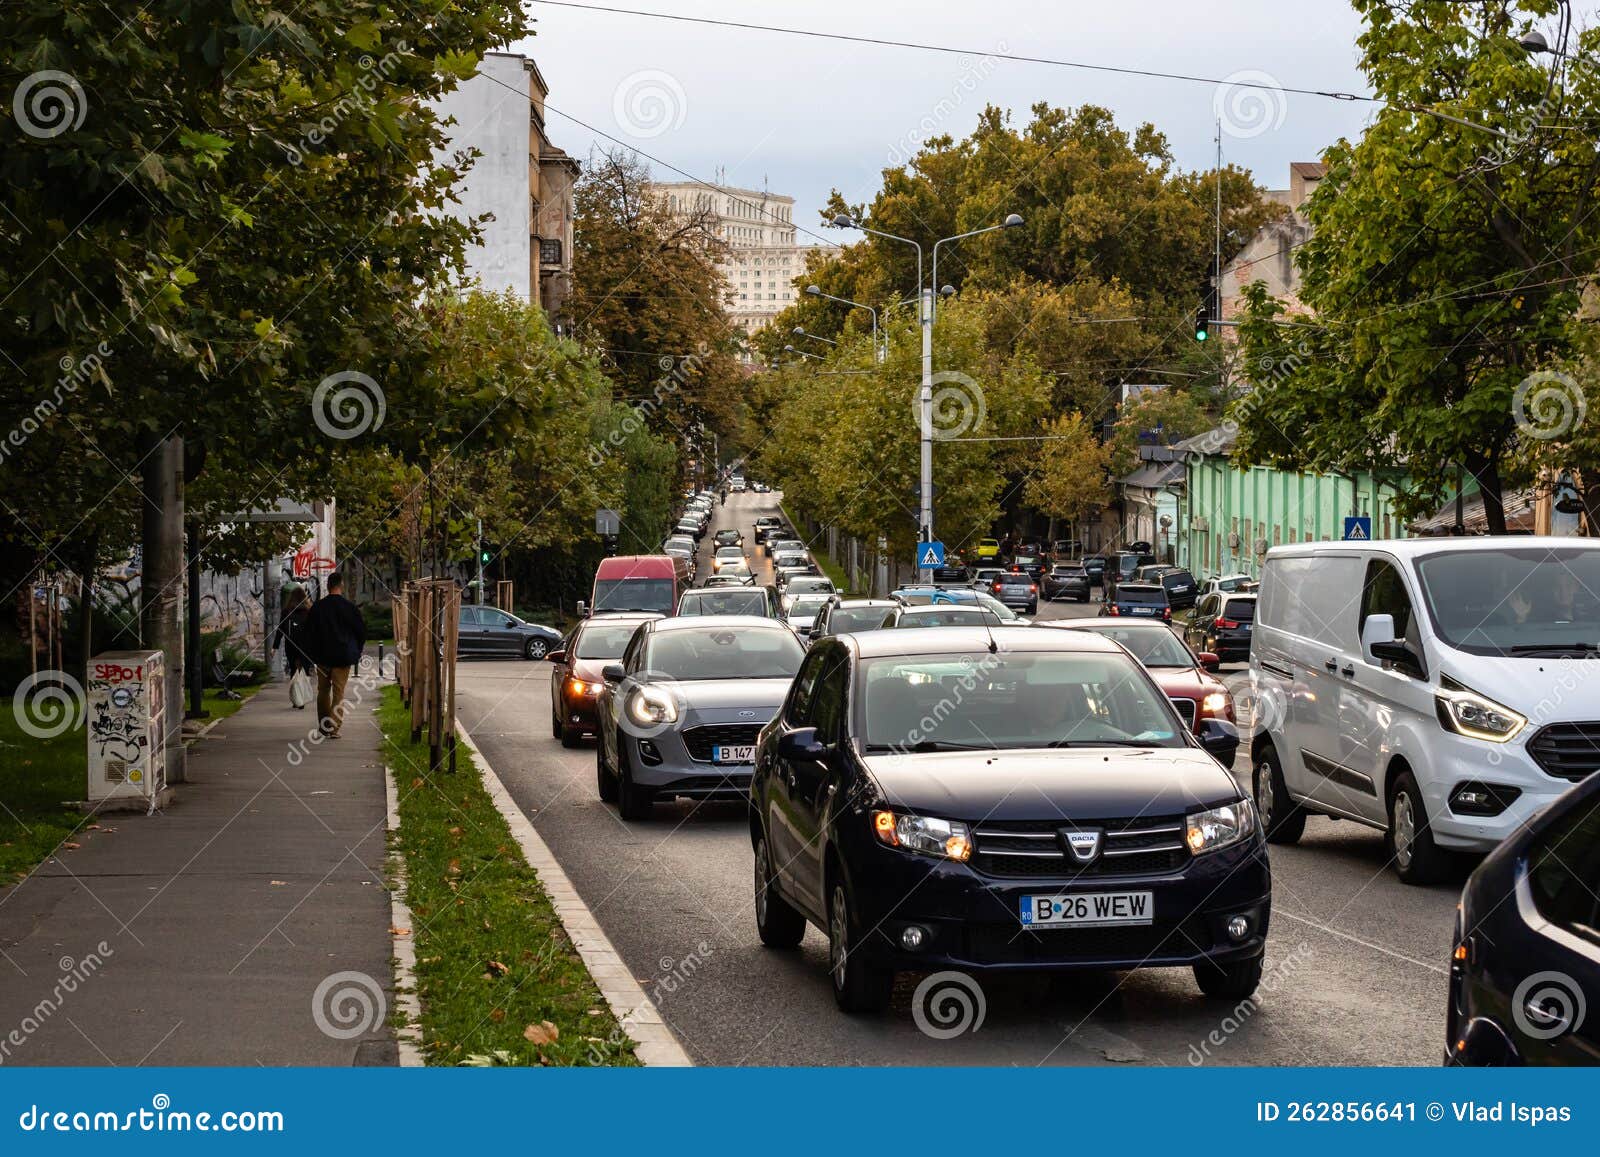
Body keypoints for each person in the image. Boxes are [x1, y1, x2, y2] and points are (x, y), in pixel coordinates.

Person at [303, 571, 366, 737]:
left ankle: (324, 727)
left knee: (323, 691)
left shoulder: (318, 607)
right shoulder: (349, 608)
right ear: (341, 586)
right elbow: (360, 631)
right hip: (343, 656)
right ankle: (334, 726)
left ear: (327, 586)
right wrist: (357, 650)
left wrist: (311, 654)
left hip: (322, 657)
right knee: (339, 693)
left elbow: (309, 633)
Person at [271, 587, 315, 708]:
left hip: (291, 645)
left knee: (294, 671)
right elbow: (314, 630)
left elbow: (280, 630)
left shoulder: (287, 611)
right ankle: (302, 698)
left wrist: (274, 646)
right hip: (305, 646)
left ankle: (296, 699)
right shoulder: (309, 610)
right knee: (304, 671)